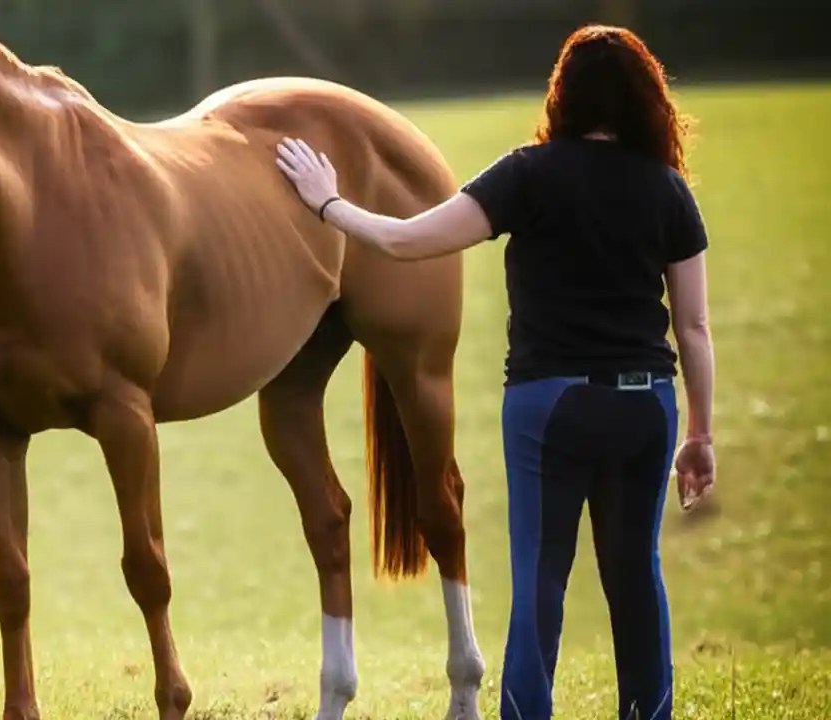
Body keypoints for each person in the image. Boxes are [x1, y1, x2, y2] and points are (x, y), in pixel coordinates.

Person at [275, 24, 716, 720]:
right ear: (645, 98)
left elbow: (407, 240)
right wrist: (702, 433)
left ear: (562, 95)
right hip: (646, 405)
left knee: (541, 574)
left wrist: (328, 202)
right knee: (637, 575)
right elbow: (693, 327)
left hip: (551, 406)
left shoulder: (526, 175)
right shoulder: (667, 190)